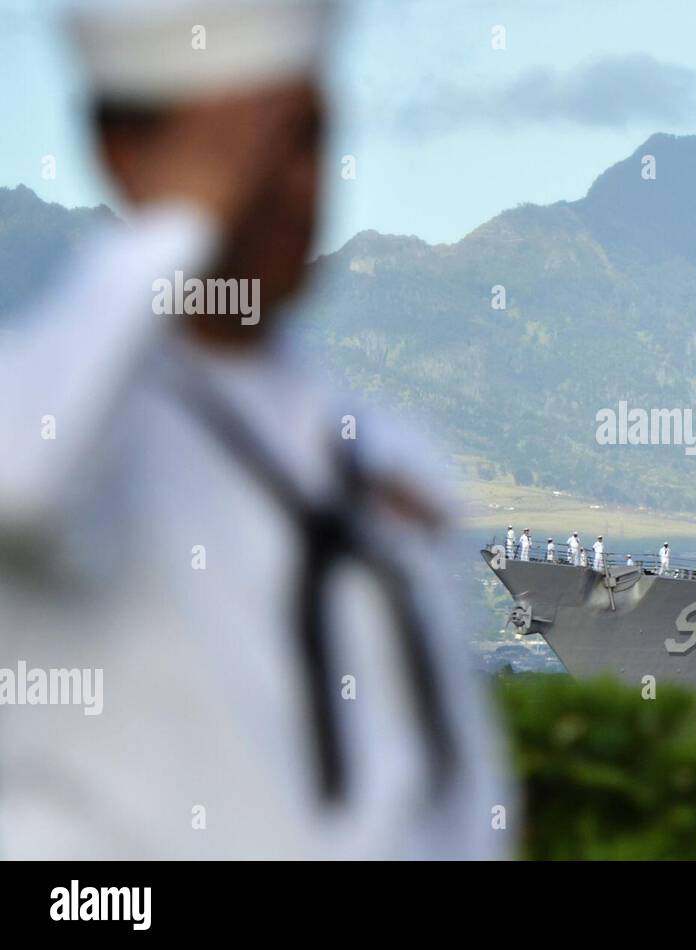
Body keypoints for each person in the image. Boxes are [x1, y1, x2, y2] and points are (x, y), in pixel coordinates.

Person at [0, 0, 508, 859]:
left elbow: (445, 791)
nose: (293, 186)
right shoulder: (74, 434)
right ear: (122, 157)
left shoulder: (389, 464)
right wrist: (179, 227)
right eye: (244, 151)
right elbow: (18, 481)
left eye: (309, 139)